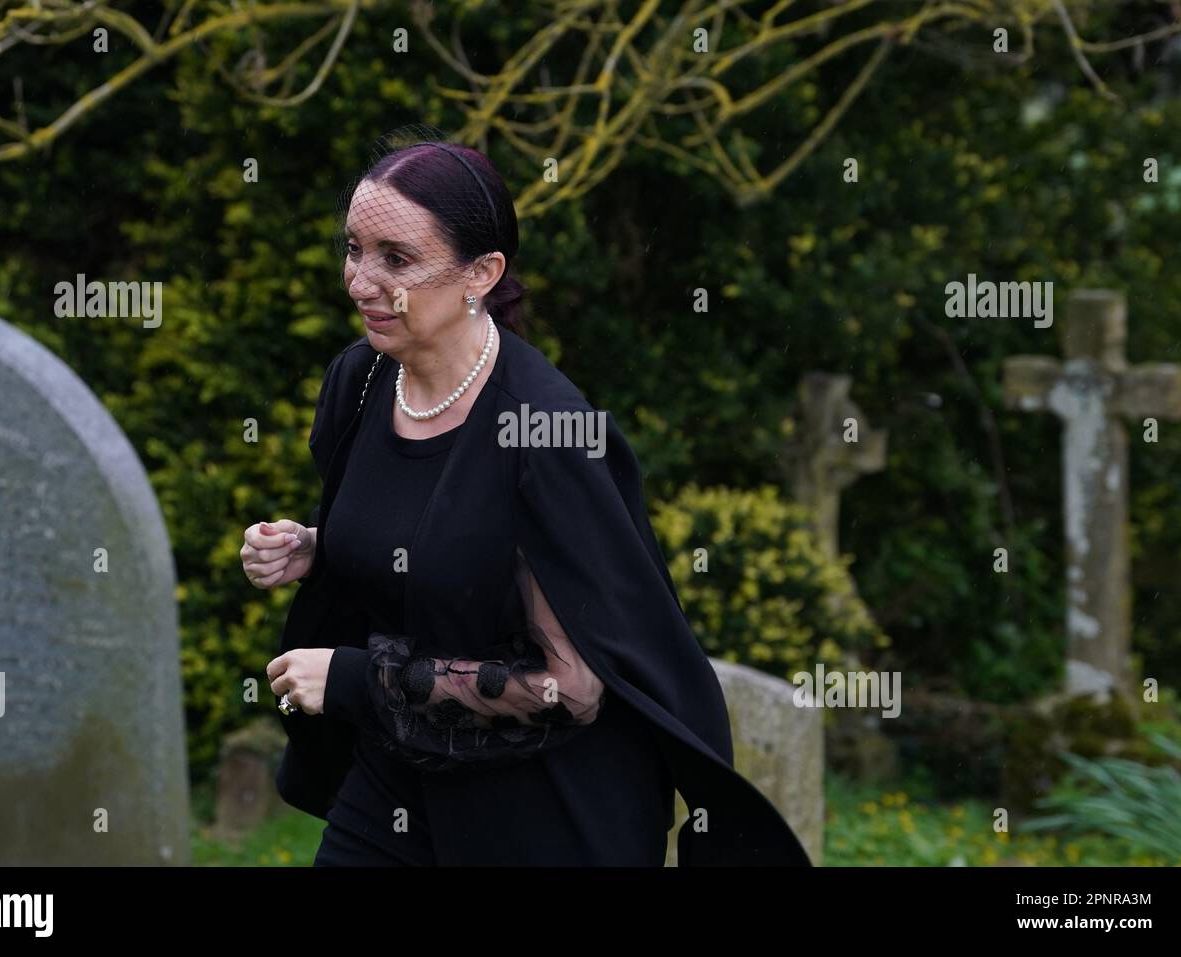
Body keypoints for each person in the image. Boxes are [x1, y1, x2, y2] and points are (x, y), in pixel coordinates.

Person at [240, 135, 810, 866]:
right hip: (397, 778)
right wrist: (318, 545)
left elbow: (569, 689)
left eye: (397, 259)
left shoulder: (543, 432)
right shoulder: (362, 381)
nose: (359, 281)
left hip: (541, 807)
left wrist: (355, 679)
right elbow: (440, 543)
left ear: (482, 272)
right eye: (353, 248)